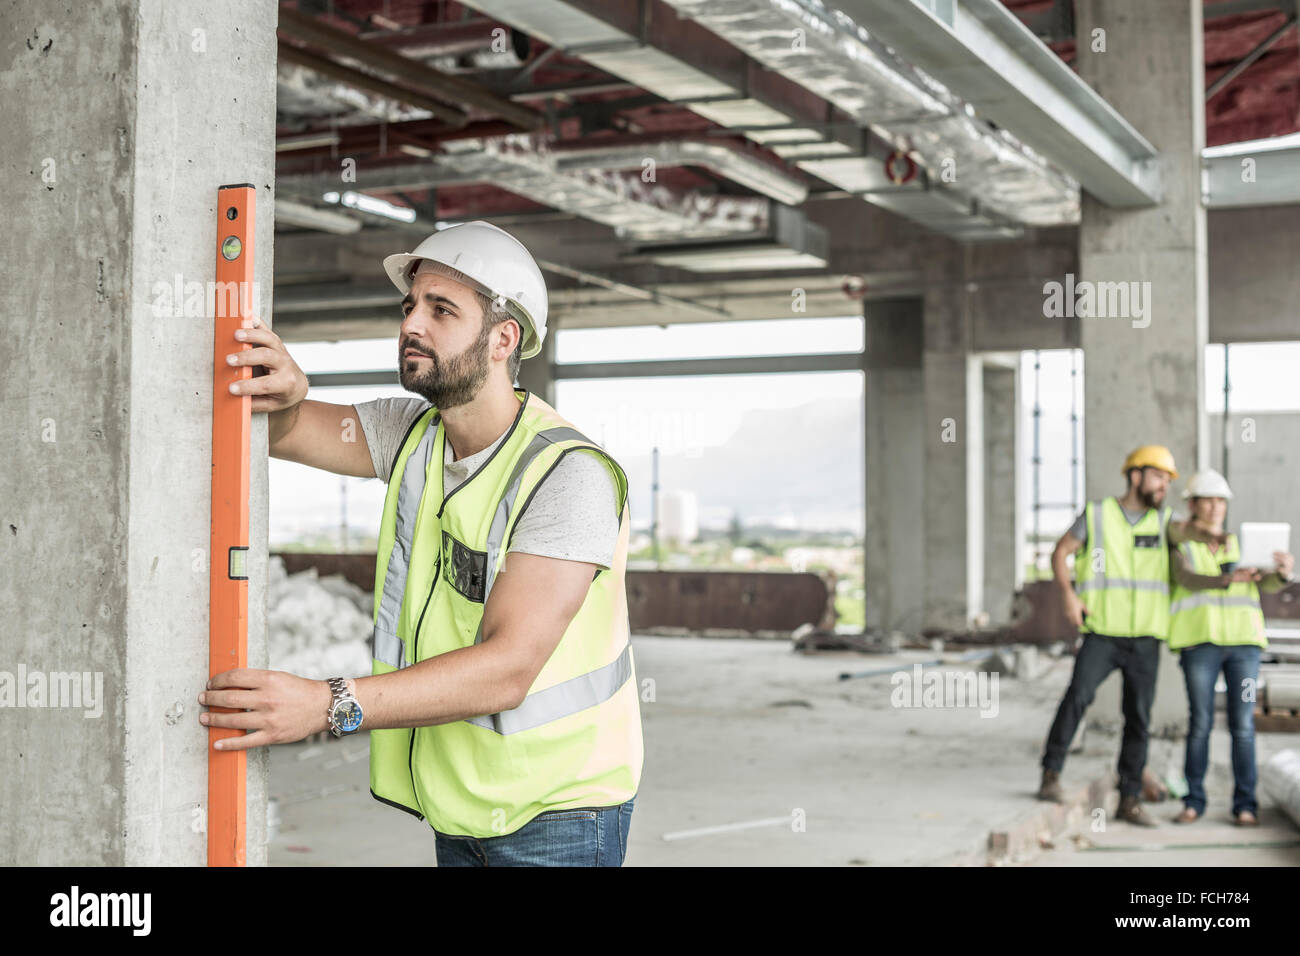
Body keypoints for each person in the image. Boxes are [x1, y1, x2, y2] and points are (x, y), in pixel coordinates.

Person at [198, 220, 643, 866]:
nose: (412, 325)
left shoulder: (566, 474)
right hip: (460, 805)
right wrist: (289, 393)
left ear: (503, 338)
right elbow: (288, 429)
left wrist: (327, 704)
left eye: (442, 310)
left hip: (560, 811)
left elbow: (508, 668)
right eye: (411, 306)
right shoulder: (413, 433)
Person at [1036, 445, 1178, 826]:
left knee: (1139, 718)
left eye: (1168, 480)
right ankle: (1050, 774)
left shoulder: (1166, 524)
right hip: (1102, 631)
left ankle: (1129, 799)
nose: (1165, 485)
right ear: (1135, 475)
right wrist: (1068, 595)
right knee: (1077, 698)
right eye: (1159, 476)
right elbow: (1061, 552)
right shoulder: (1098, 515)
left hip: (1146, 636)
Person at [1166, 469, 1294, 826]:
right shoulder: (1180, 542)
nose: (1215, 507)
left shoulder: (1241, 544)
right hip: (1199, 642)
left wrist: (1283, 572)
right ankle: (1194, 801)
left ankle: (1245, 805)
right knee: (1201, 723)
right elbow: (1185, 578)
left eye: (1220, 500)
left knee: (1242, 726)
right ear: (1192, 505)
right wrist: (1227, 578)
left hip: (1244, 646)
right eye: (1207, 500)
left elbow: (1266, 583)